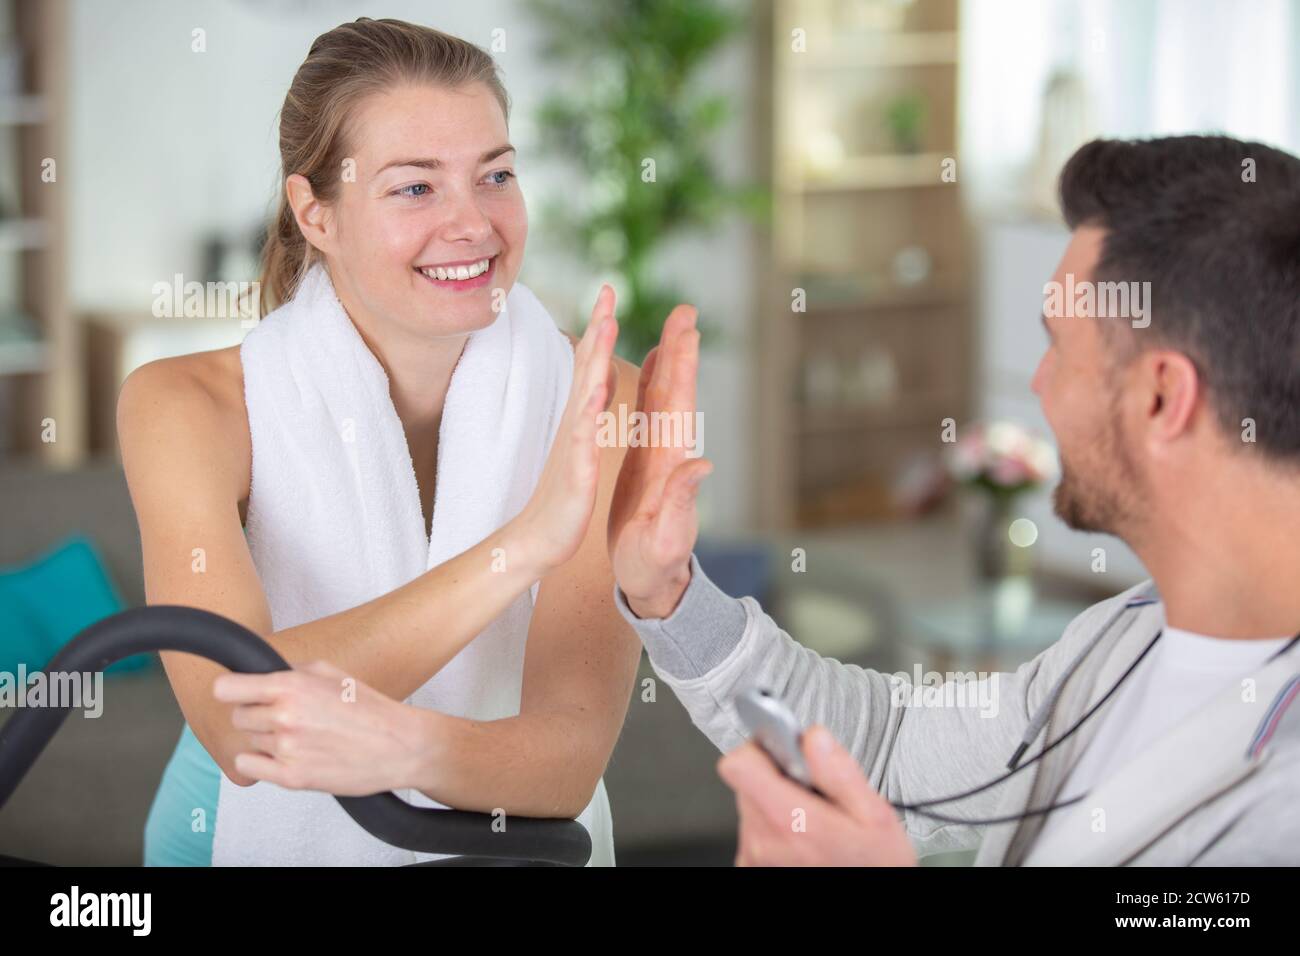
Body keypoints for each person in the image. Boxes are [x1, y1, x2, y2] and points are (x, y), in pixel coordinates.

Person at [605, 134, 1300, 865]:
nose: (1039, 384)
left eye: (1058, 347)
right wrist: (669, 595)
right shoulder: (1122, 638)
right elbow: (891, 744)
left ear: (1162, 397)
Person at [118, 18, 642, 866]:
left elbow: (566, 762)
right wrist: (525, 547)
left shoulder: (602, 400)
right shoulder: (184, 403)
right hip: (229, 821)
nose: (474, 225)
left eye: (496, 175)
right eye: (415, 188)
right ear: (314, 212)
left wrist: (396, 755)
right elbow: (239, 725)